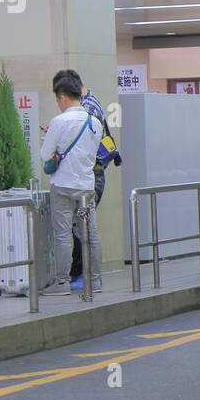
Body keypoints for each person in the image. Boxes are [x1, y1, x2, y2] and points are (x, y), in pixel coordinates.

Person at [55, 70, 122, 287]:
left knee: (79, 230)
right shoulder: (90, 106)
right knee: (84, 229)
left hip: (86, 178)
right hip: (88, 181)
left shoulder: (87, 109)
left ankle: (81, 277)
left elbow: (84, 147)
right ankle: (90, 278)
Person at [40, 72, 103, 296]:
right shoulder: (94, 122)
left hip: (63, 188)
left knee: (63, 234)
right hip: (86, 187)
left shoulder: (59, 121)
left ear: (63, 97)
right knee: (91, 233)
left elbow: (45, 154)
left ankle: (62, 282)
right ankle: (95, 280)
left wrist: (51, 145)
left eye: (57, 99)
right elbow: (94, 153)